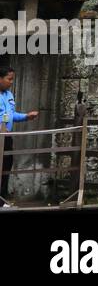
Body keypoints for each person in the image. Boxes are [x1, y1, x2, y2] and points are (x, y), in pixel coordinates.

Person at [0, 64, 38, 204]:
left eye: (12, 79)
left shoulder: (9, 94)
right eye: (9, 79)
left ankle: (1, 200)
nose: (11, 82)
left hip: (6, 136)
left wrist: (26, 116)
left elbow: (11, 115)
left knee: (5, 167)